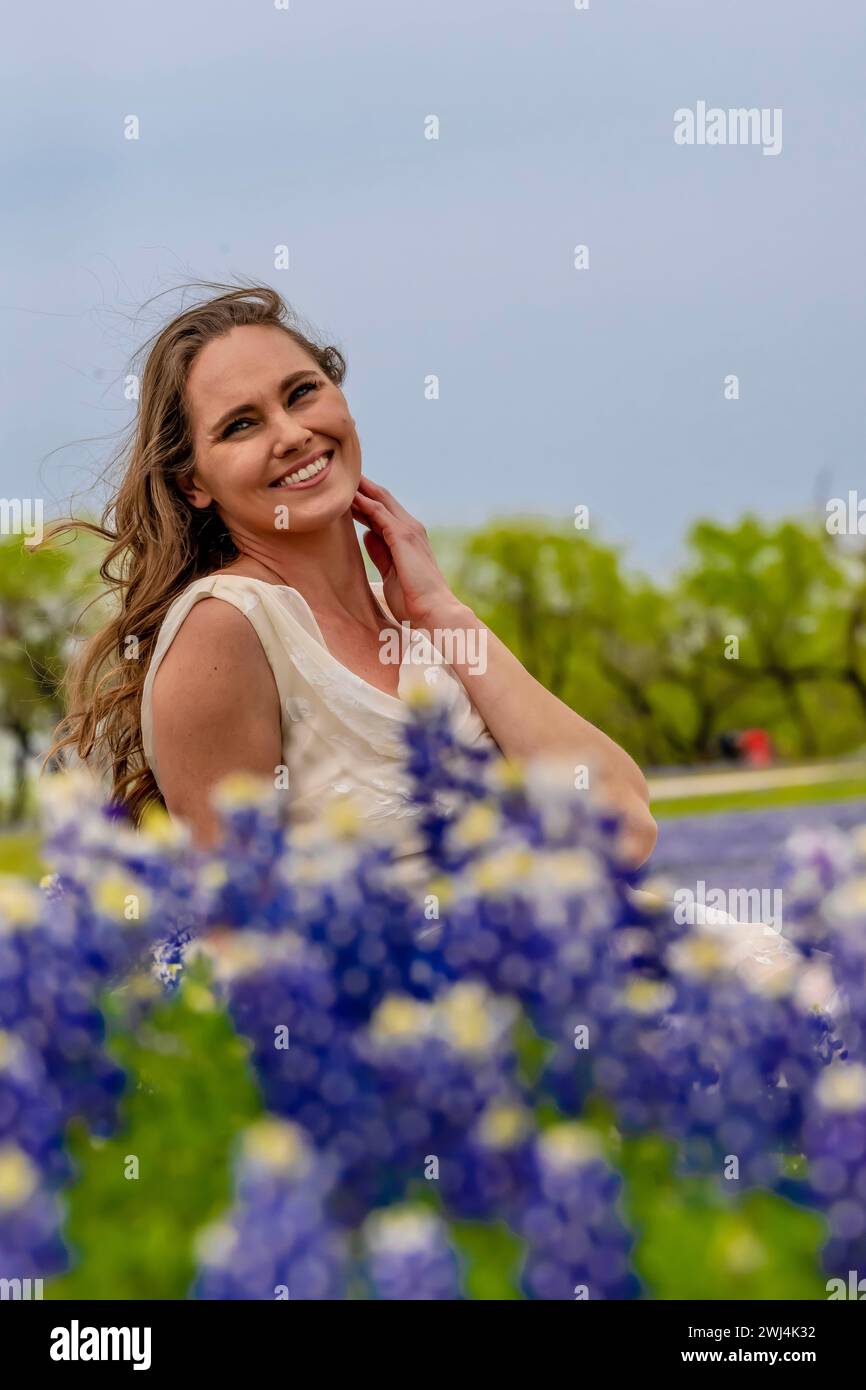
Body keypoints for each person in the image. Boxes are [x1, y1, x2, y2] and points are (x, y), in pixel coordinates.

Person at [42, 283, 656, 867]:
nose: (292, 433)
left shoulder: (418, 625)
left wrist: (441, 611)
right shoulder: (226, 627)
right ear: (193, 482)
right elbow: (243, 937)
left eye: (302, 392)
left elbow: (624, 825)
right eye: (241, 424)